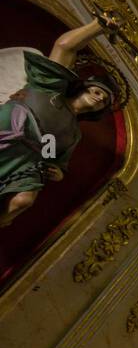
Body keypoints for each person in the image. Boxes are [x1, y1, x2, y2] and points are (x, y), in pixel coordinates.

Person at [1, 17, 120, 228]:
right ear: (84, 87)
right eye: (98, 92)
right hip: (8, 129)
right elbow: (64, 46)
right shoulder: (51, 86)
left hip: (29, 157)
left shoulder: (74, 133)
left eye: (104, 101)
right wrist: (98, 26)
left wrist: (57, 173)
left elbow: (54, 158)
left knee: (24, 200)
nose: (100, 98)